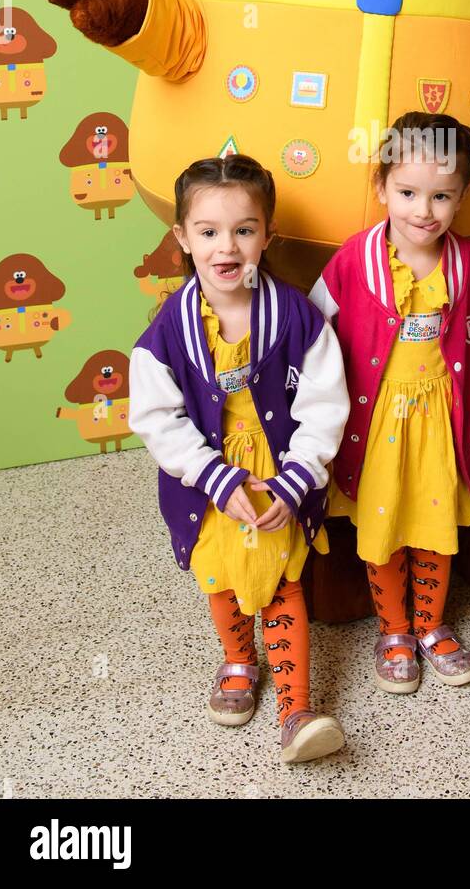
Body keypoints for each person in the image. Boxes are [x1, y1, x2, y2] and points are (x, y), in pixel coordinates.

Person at [128, 154, 350, 763]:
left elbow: (326, 405)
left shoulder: (298, 318)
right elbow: (156, 418)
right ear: (182, 237)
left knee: (280, 581)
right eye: (208, 231)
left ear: (267, 235)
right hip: (206, 480)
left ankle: (296, 707)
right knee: (221, 575)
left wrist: (296, 481)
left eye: (244, 230)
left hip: (276, 475)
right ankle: (237, 660)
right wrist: (215, 479)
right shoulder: (168, 332)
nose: (227, 247)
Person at [310, 113, 470, 692]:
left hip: (441, 422)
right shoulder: (354, 263)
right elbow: (312, 337)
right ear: (381, 187)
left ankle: (430, 623)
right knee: (381, 524)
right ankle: (394, 627)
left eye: (441, 196)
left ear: (462, 196)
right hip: (374, 425)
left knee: (433, 523)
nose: (424, 210)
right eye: (407, 192)